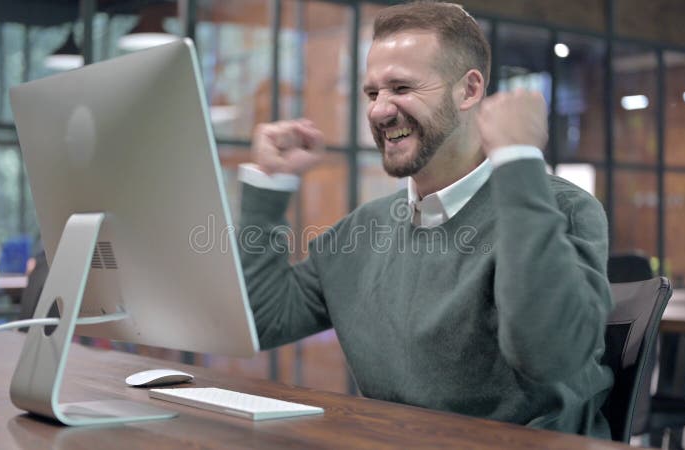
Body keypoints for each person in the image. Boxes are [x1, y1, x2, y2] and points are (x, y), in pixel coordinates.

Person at [236, 1, 613, 439]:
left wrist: (518, 160)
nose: (379, 111)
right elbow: (263, 322)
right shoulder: (361, 232)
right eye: (373, 93)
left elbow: (548, 356)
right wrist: (270, 185)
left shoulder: (563, 208)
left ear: (469, 90)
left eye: (401, 87)